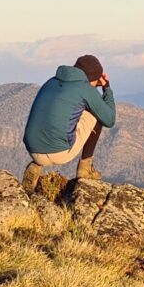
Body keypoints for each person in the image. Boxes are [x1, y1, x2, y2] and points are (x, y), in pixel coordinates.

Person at [21, 54, 116, 192]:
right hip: (60, 152)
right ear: (92, 80)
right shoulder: (86, 89)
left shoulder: (51, 81)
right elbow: (109, 119)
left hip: (32, 149)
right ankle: (85, 168)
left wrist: (91, 86)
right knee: (97, 115)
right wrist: (106, 88)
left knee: (60, 115)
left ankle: (36, 166)